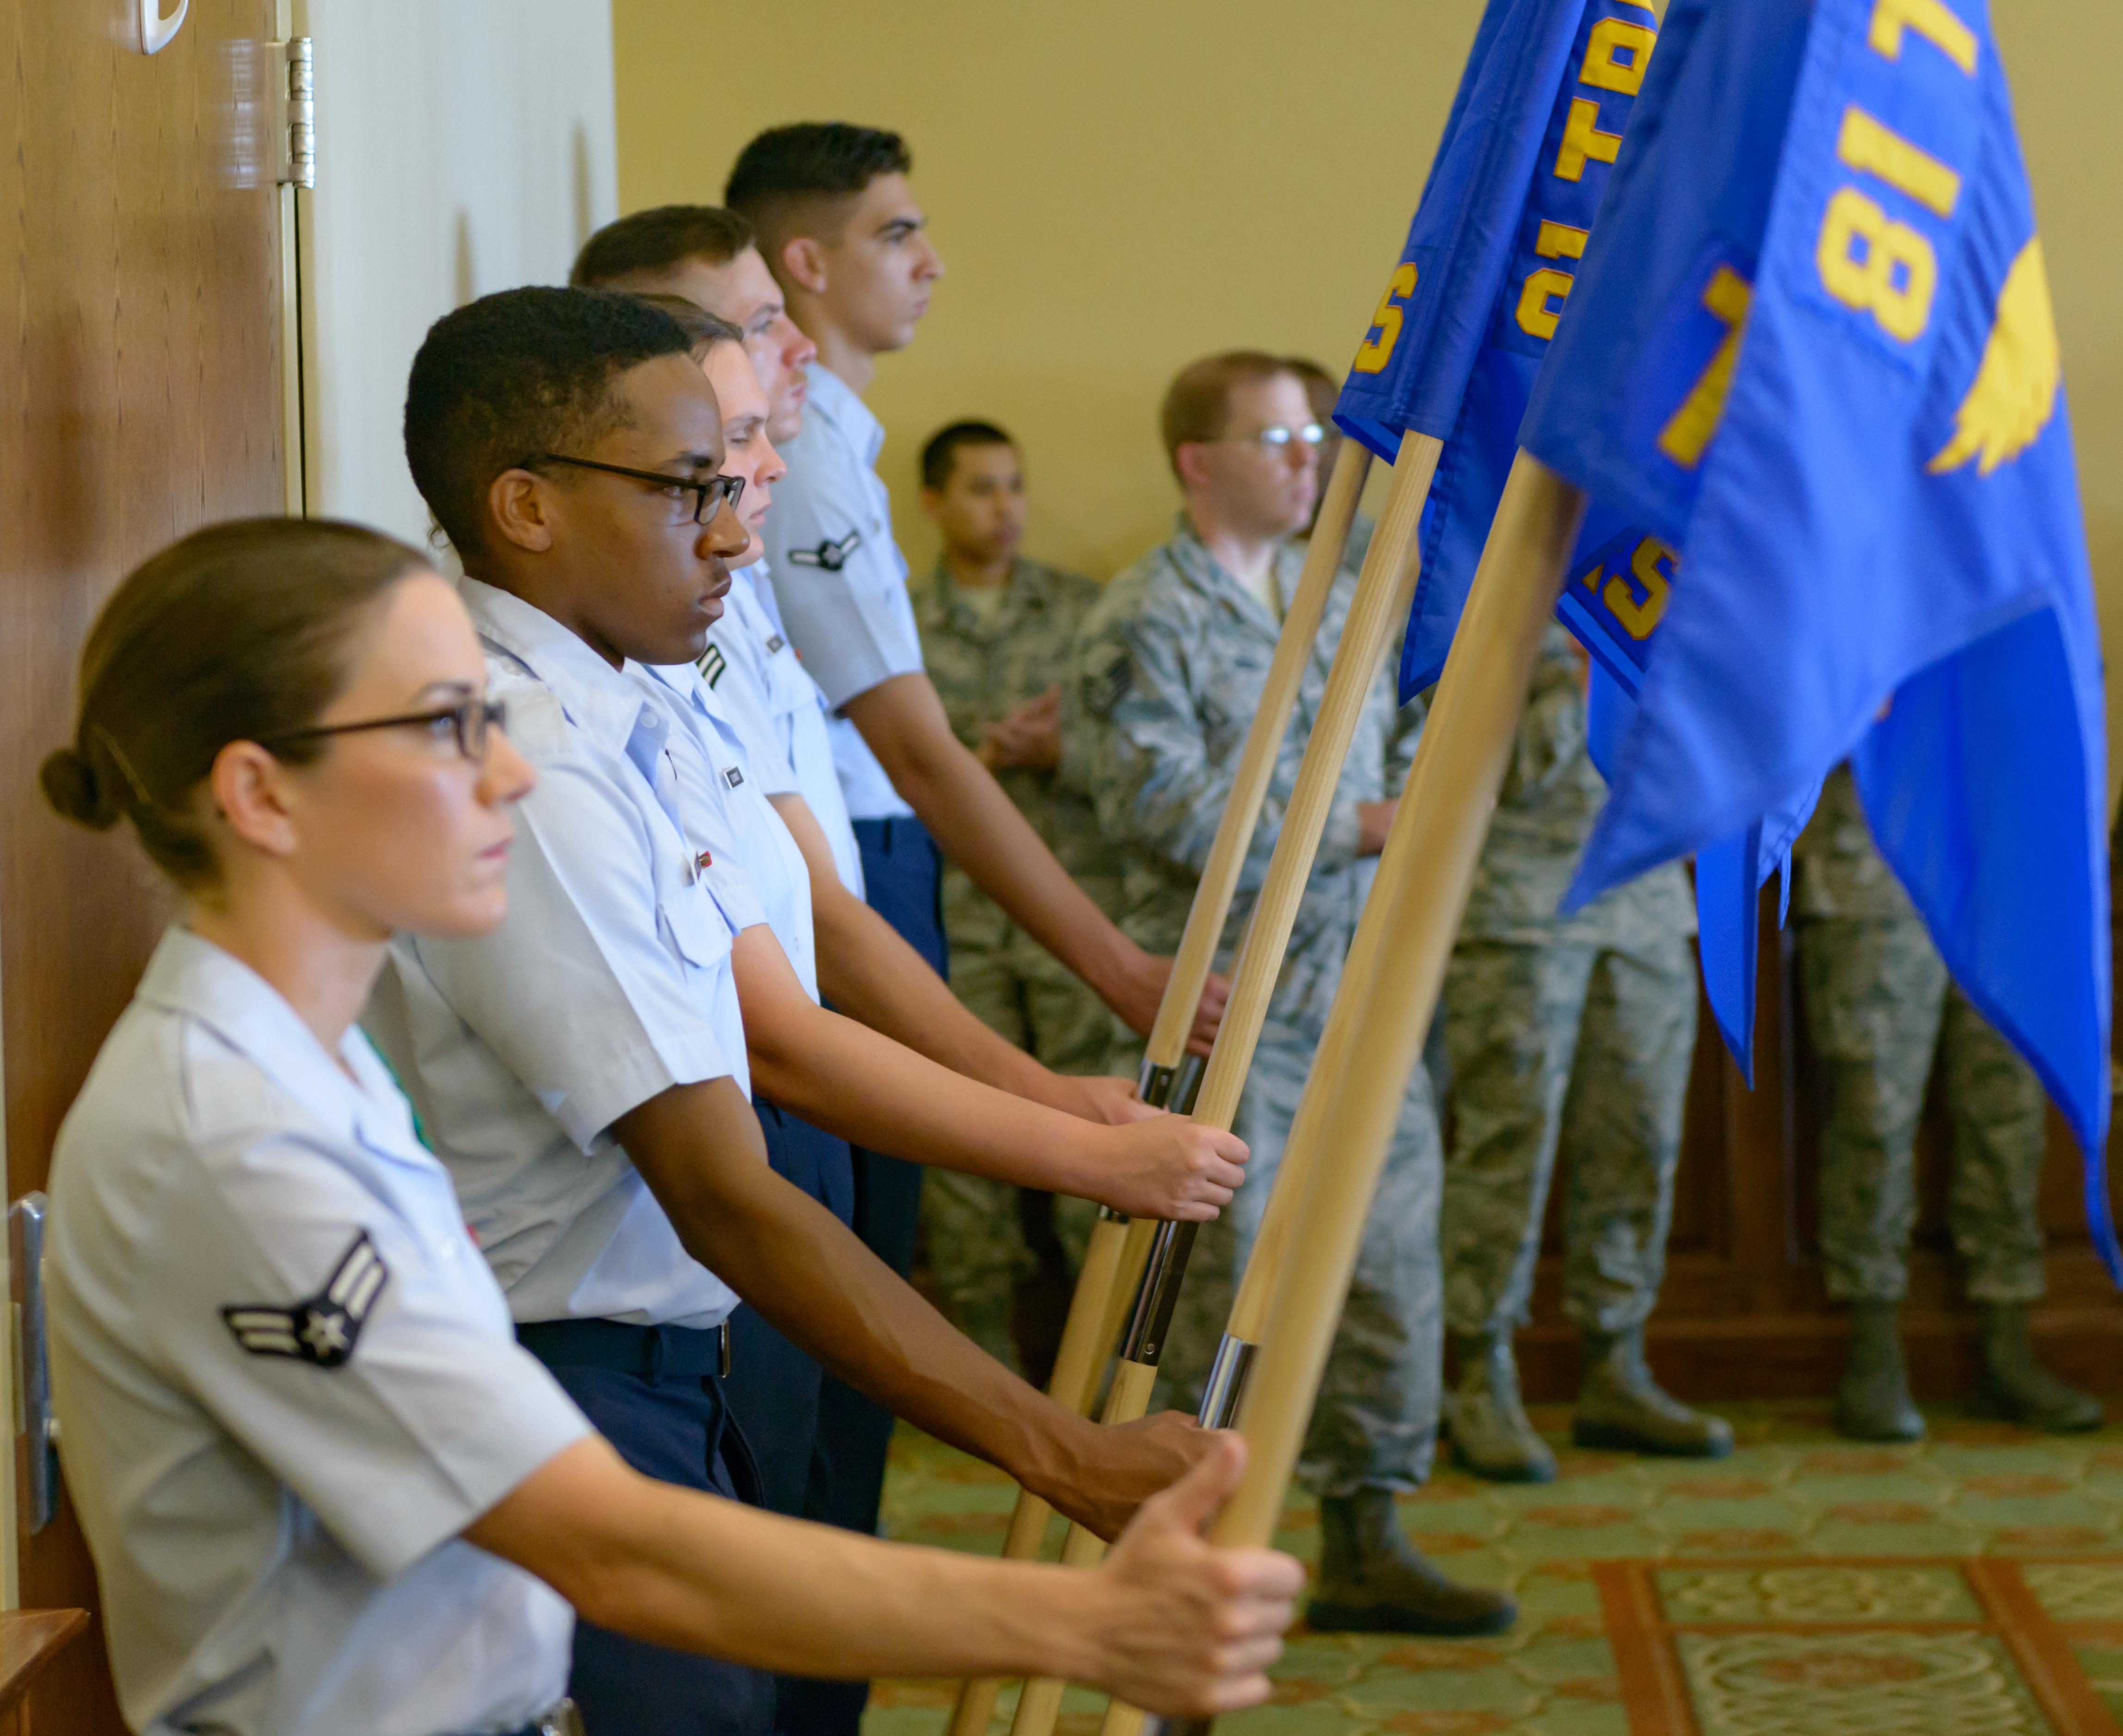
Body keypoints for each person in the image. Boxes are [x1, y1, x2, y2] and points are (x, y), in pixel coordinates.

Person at [37, 515, 1304, 1736]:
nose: (509, 772)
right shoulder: (235, 1139)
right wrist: (1086, 1622)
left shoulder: (317, 1067)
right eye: (445, 725)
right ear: (261, 795)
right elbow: (610, 1544)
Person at [377, 286, 1249, 1732]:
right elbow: (725, 1185)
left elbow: (777, 998)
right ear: (526, 506)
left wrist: (1065, 1125)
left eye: (729, 482)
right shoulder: (532, 761)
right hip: (569, 1376)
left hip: (667, 1357)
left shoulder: (632, 707)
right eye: (688, 488)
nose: (732, 531)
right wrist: (1063, 1451)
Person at [722, 132, 1227, 1292]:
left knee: (875, 1227)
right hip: (857, 861)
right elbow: (919, 754)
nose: (931, 263)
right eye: (897, 234)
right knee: (864, 1240)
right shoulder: (805, 465)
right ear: (808, 261)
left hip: (865, 854)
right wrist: (1116, 965)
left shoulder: (830, 448)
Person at [1070, 350, 1513, 1638]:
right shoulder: (1145, 614)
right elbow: (1161, 806)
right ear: (1198, 462)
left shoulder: (1345, 597)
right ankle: (1187, 1548)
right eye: (1277, 440)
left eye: (1316, 435)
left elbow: (1410, 744)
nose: (1310, 459)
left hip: (1355, 995)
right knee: (1222, 1284)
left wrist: (1406, 809)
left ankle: (1367, 1528)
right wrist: (1360, 826)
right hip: (1229, 1007)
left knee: (1388, 1261)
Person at [1436, 627, 1728, 1482]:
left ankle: (1616, 1361)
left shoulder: (1664, 582)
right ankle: (1478, 1373)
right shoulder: (1484, 584)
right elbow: (1463, 765)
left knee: (1640, 1137)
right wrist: (1575, 680)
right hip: (1521, 903)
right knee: (1509, 1145)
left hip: (1645, 901)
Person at [1792, 765, 2103, 1441]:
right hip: (1873, 866)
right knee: (1872, 1114)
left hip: (2005, 872)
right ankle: (1872, 1348)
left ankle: (2007, 1342)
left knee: (2008, 1116)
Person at [909, 417, 1125, 1373]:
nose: (1004, 509)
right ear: (933, 502)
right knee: (967, 1144)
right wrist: (976, 763)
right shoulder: (897, 624)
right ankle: (979, 1363)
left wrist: (1061, 750)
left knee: (1095, 1126)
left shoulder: (1086, 614)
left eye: (1014, 486)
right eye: (980, 489)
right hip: (952, 917)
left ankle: (1101, 1363)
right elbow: (857, 774)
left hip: (1070, 915)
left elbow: (1142, 757)